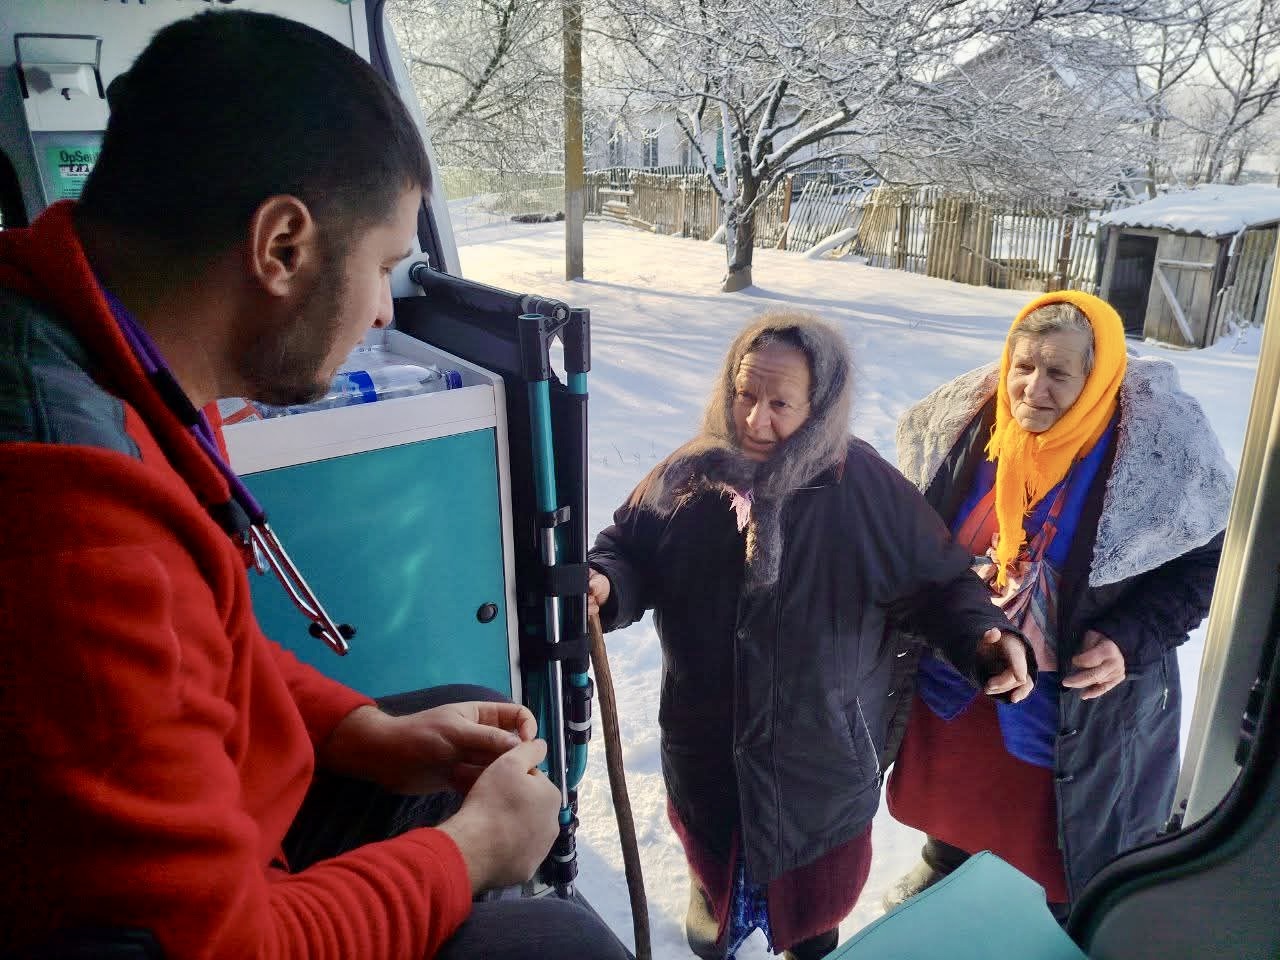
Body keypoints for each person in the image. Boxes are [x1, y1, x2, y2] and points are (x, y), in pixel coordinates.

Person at [0, 11, 626, 960]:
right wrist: (472, 852)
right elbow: (228, 946)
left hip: (227, 820)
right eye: (381, 265)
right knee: (556, 946)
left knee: (444, 714)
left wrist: (358, 730)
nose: (383, 307)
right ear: (282, 246)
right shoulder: (74, 534)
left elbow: (208, 645)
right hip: (219, 915)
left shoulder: (113, 351)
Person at [586, 310, 1035, 960]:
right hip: (708, 760)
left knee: (812, 927)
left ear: (820, 405)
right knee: (710, 914)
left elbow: (940, 587)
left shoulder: (864, 489)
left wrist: (986, 640)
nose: (753, 420)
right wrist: (605, 583)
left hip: (817, 775)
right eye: (744, 393)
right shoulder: (691, 475)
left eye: (779, 404)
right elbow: (628, 548)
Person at [883, 291, 1233, 914]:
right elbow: (915, 532)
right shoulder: (969, 424)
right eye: (1023, 367)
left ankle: (1064, 921)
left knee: (1065, 841)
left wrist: (1130, 637)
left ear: (1096, 377)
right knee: (956, 796)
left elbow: (1206, 564)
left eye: (1059, 373)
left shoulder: (1157, 450)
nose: (1033, 390)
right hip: (963, 677)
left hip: (1073, 706)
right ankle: (946, 867)